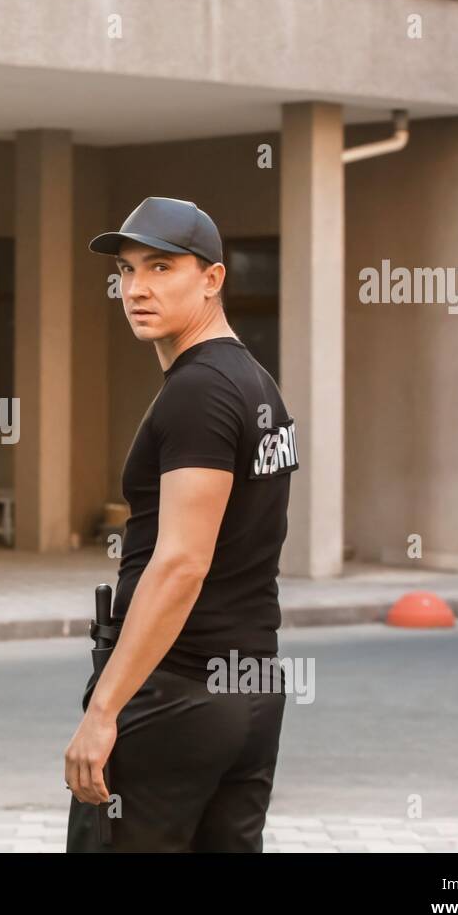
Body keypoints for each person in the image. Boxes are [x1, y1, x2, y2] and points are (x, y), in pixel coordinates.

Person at [65, 196, 299, 852]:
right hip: (250, 690)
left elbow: (181, 564)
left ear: (212, 278)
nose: (136, 288)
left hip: (177, 694)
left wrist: (105, 709)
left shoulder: (198, 393)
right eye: (125, 272)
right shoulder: (255, 383)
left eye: (161, 267)